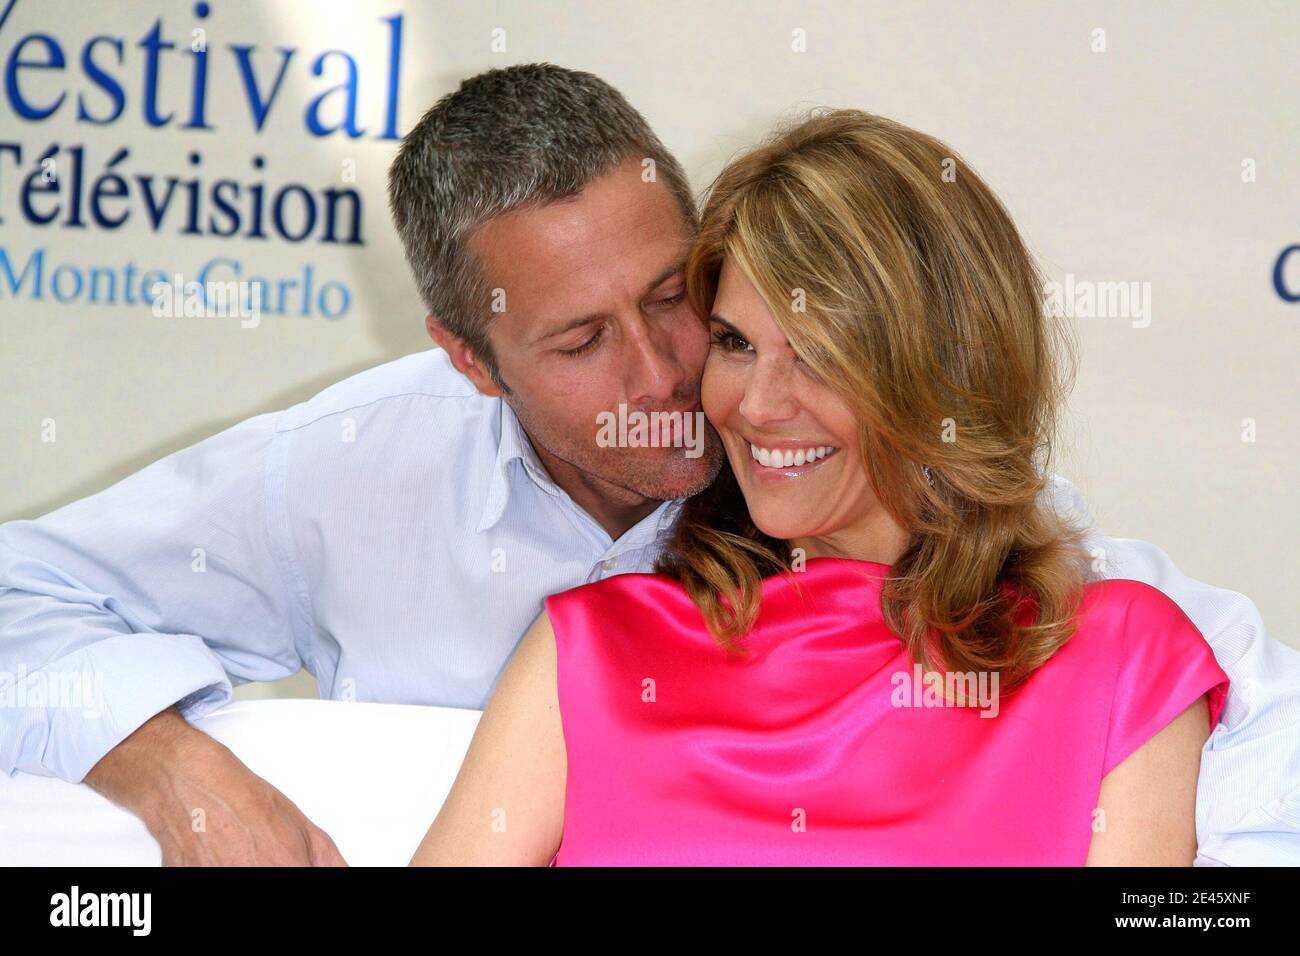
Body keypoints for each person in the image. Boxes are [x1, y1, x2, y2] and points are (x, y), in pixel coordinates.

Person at [0, 66, 1294, 866]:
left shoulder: (1050, 594)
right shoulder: (365, 488)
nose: (679, 379)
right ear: (467, 357)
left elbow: (1192, 681)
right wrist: (171, 764)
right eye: (579, 342)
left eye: (682, 301)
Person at [408, 108, 1235, 866]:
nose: (757, 407)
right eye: (734, 342)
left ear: (940, 368)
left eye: (816, 354)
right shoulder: (591, 650)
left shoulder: (1121, 659)